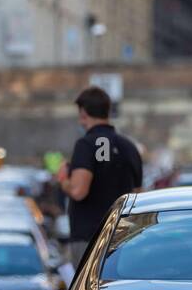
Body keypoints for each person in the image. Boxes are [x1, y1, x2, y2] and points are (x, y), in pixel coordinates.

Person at [59, 86, 142, 266]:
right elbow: (138, 194)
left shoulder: (86, 145)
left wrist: (64, 179)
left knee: (89, 285)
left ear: (83, 113)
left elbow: (79, 191)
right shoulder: (129, 147)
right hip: (124, 237)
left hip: (90, 239)